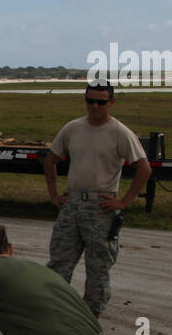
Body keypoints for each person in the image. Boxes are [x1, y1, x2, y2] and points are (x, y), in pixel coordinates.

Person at [44, 83, 152, 316]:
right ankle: (55, 311)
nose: (95, 106)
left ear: (111, 103)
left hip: (101, 207)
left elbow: (144, 168)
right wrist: (54, 194)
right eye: (90, 101)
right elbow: (51, 159)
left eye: (101, 102)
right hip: (72, 204)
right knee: (59, 263)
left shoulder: (120, 133)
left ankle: (91, 315)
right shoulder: (72, 128)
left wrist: (124, 201)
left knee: (98, 268)